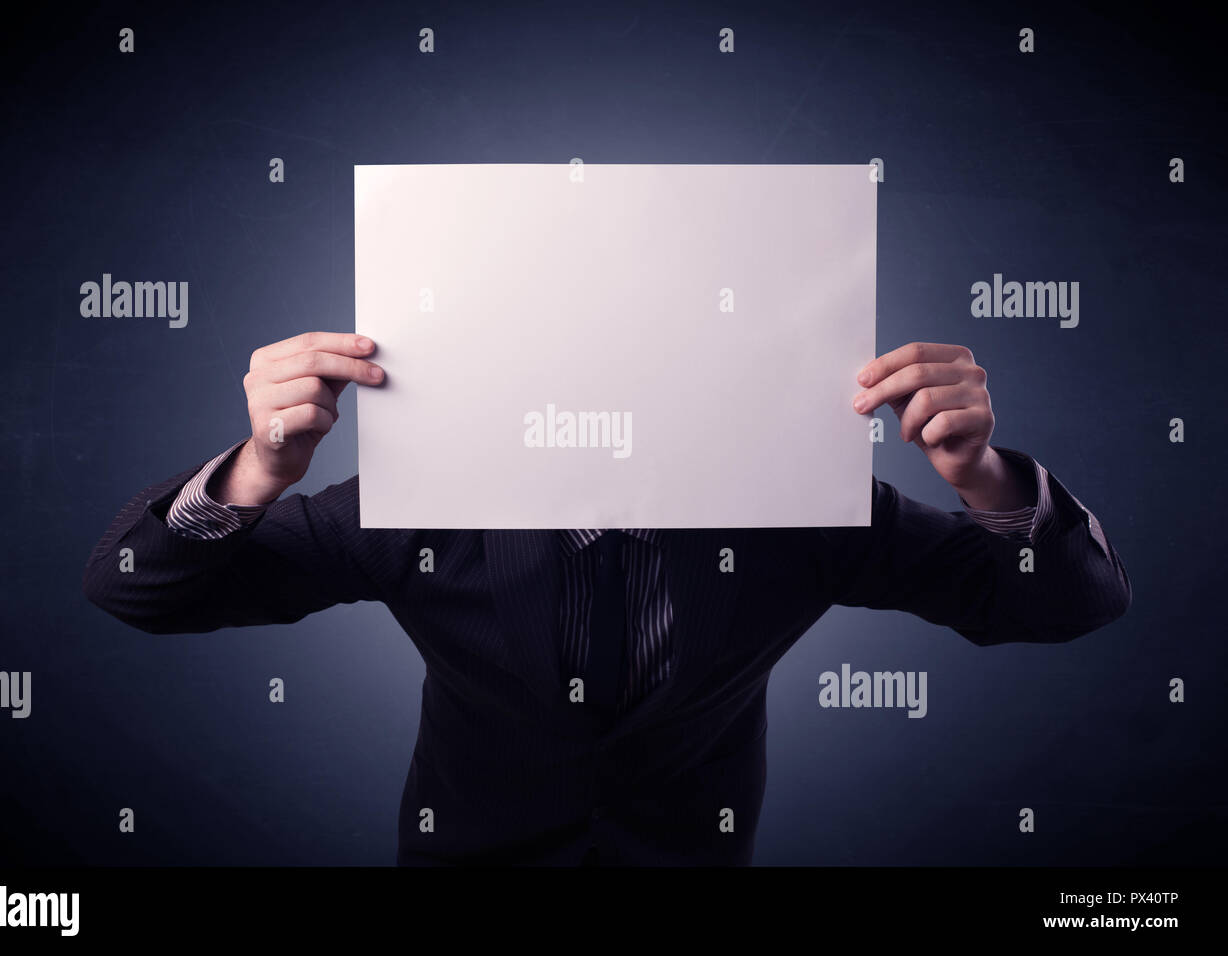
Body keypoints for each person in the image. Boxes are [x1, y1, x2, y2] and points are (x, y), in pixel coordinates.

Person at [82, 331, 1131, 865]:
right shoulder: (419, 505)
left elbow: (1065, 600)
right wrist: (258, 471)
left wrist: (980, 471)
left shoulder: (798, 512)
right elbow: (141, 590)